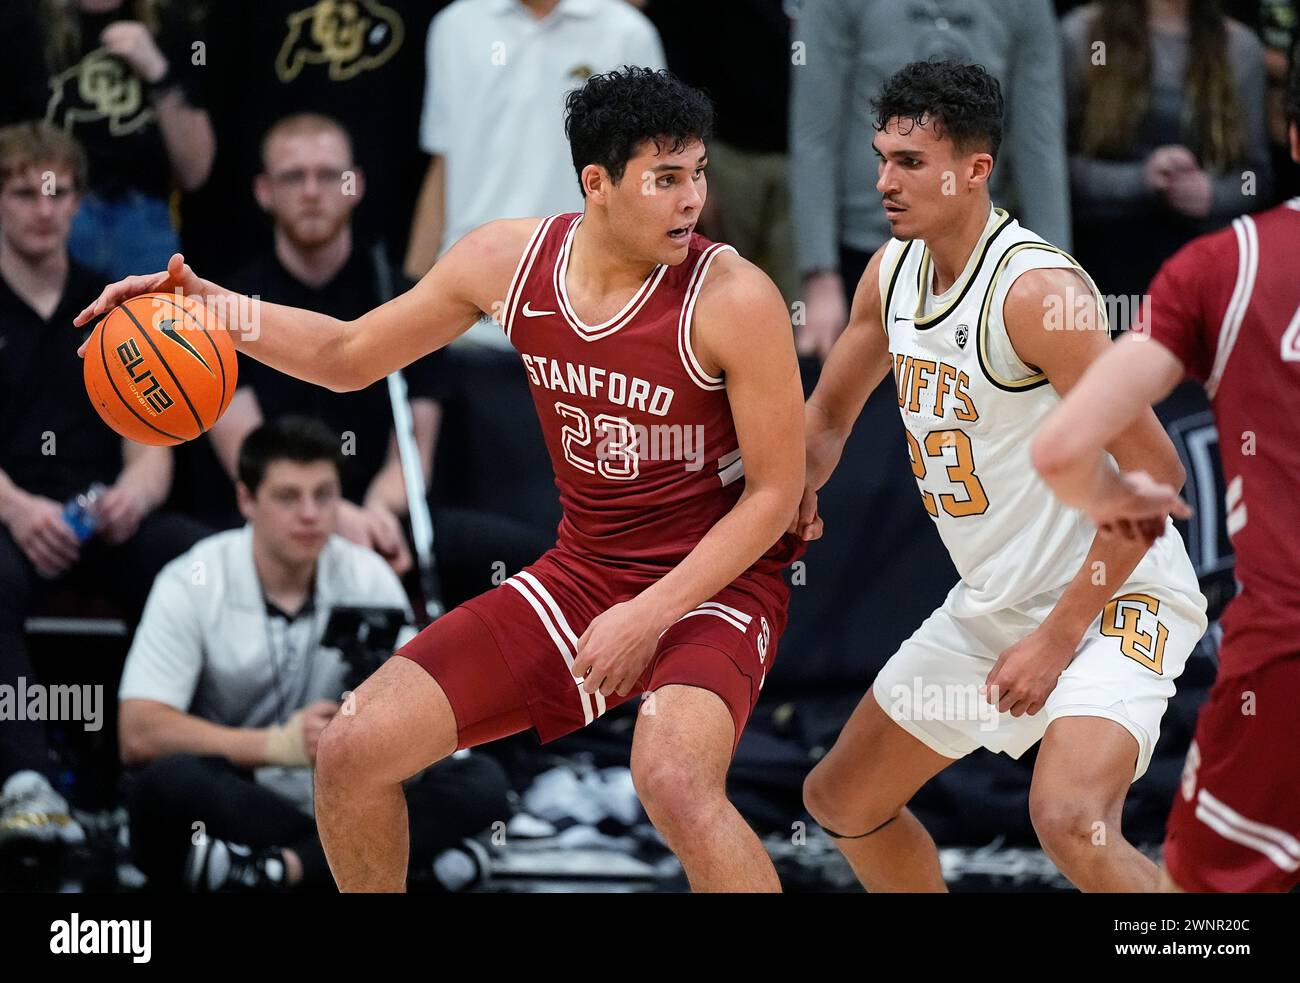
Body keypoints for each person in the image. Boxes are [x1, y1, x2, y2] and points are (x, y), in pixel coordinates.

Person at [77, 67, 807, 893]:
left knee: (672, 778)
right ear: (596, 184)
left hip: (714, 586)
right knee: (353, 749)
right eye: (666, 179)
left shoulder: (735, 296)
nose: (692, 200)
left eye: (699, 173)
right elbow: (347, 356)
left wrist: (647, 614)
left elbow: (775, 496)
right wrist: (214, 308)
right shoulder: (507, 260)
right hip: (584, 575)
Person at [796, 61, 1208, 892]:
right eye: (880, 158)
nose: (884, 181)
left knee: (1070, 822)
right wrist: (789, 495)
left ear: (975, 170)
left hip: (1113, 598)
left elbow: (1158, 477)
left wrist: (1057, 641)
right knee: (842, 800)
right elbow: (830, 418)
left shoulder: (1035, 294)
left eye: (909, 162)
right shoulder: (892, 274)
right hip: (997, 604)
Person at [1032, 59, 1300, 895]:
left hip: (1284, 661)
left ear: (1289, 134)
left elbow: (1061, 448)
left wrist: (1114, 498)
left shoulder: (1226, 265)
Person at [119, 417, 510, 891]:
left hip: (347, 789)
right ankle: (398, 863)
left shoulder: (367, 575)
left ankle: (280, 869)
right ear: (246, 500)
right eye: (288, 497)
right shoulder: (192, 578)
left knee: (483, 780)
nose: (310, 514)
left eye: (324, 495)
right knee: (165, 783)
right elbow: (137, 732)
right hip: (245, 789)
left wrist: (372, 732)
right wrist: (276, 744)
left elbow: (428, 707)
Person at [200, 113, 553, 598]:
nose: (310, 191)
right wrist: (330, 514)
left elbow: (413, 456)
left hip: (382, 512)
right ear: (264, 191)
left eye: (328, 175)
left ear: (355, 185)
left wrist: (374, 512)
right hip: (275, 512)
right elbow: (247, 452)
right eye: (293, 176)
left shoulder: (405, 296)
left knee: (532, 560)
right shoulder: (236, 301)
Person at [0, 121, 207, 849]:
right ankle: (23, 779)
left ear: (79, 201)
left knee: (195, 560)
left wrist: (134, 496)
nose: (42, 209)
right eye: (23, 192)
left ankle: (164, 779)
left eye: (58, 192)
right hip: (11, 515)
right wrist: (19, 509)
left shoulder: (115, 305)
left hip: (101, 515)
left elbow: (154, 444)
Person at [790, 0, 1071, 359]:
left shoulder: (1025, 7)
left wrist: (1057, 274)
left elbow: (1040, 145)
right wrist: (820, 275)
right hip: (864, 247)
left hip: (980, 249)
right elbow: (814, 134)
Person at [403, 0, 665, 279]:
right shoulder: (454, 26)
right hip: (470, 282)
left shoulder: (627, 33)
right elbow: (445, 161)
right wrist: (415, 282)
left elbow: (651, 167)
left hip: (582, 282)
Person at [1061, 0, 1272, 300]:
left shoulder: (1239, 47)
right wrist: (1140, 179)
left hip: (1205, 259)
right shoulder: (1083, 35)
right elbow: (1053, 171)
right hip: (1103, 256)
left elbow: (1256, 179)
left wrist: (1213, 193)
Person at [40, 0, 214, 279]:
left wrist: (159, 73)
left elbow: (195, 171)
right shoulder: (29, 22)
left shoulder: (174, 25)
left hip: (144, 215)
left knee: (152, 322)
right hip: (53, 209)